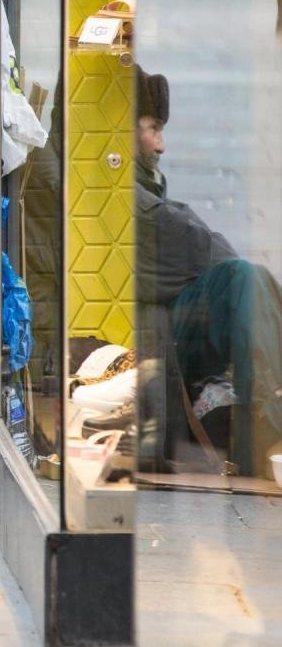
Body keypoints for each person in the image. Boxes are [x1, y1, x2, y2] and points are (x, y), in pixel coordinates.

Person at [133, 68, 282, 477]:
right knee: (245, 282)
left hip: (174, 326)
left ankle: (266, 426)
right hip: (167, 333)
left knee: (249, 283)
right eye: (153, 129)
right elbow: (199, 248)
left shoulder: (143, 193)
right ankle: (270, 431)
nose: (162, 145)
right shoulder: (134, 201)